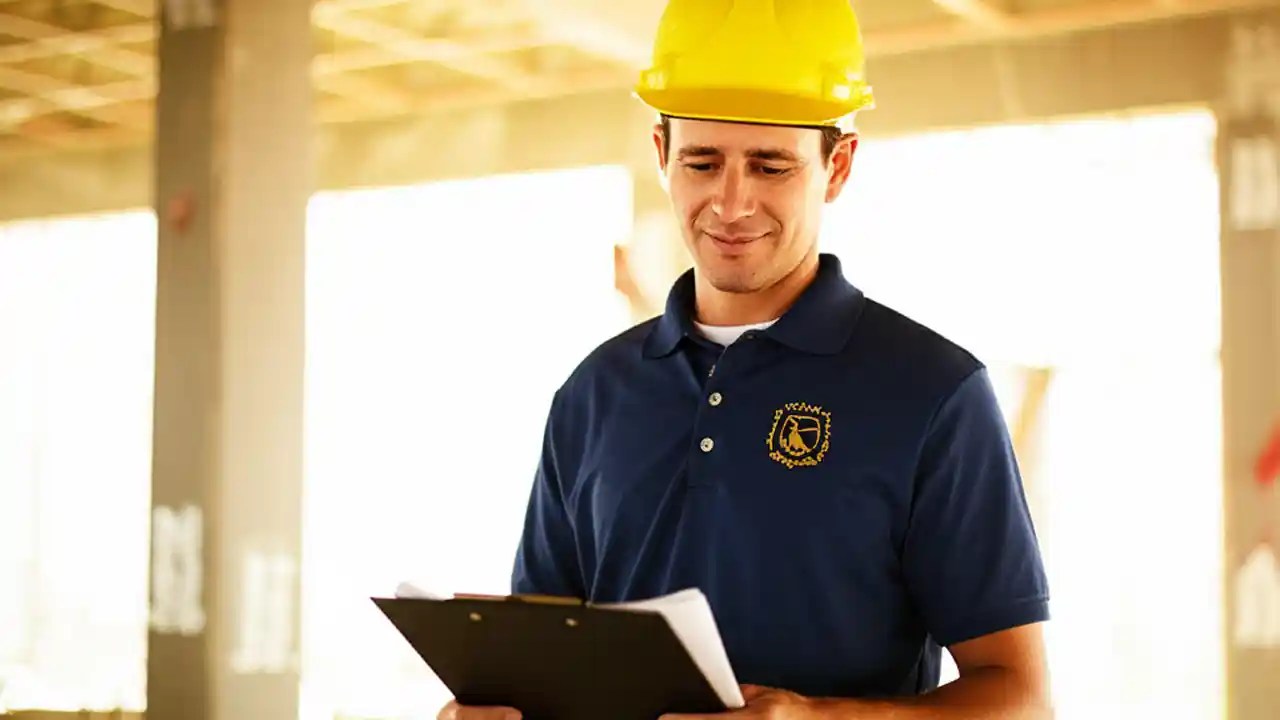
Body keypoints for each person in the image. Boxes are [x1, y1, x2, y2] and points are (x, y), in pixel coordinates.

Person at [440, 0, 1051, 717]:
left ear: (838, 165)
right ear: (662, 151)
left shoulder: (933, 392)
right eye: (703, 162)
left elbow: (1020, 698)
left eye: (770, 166)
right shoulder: (593, 392)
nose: (731, 203)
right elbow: (539, 667)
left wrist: (818, 719)